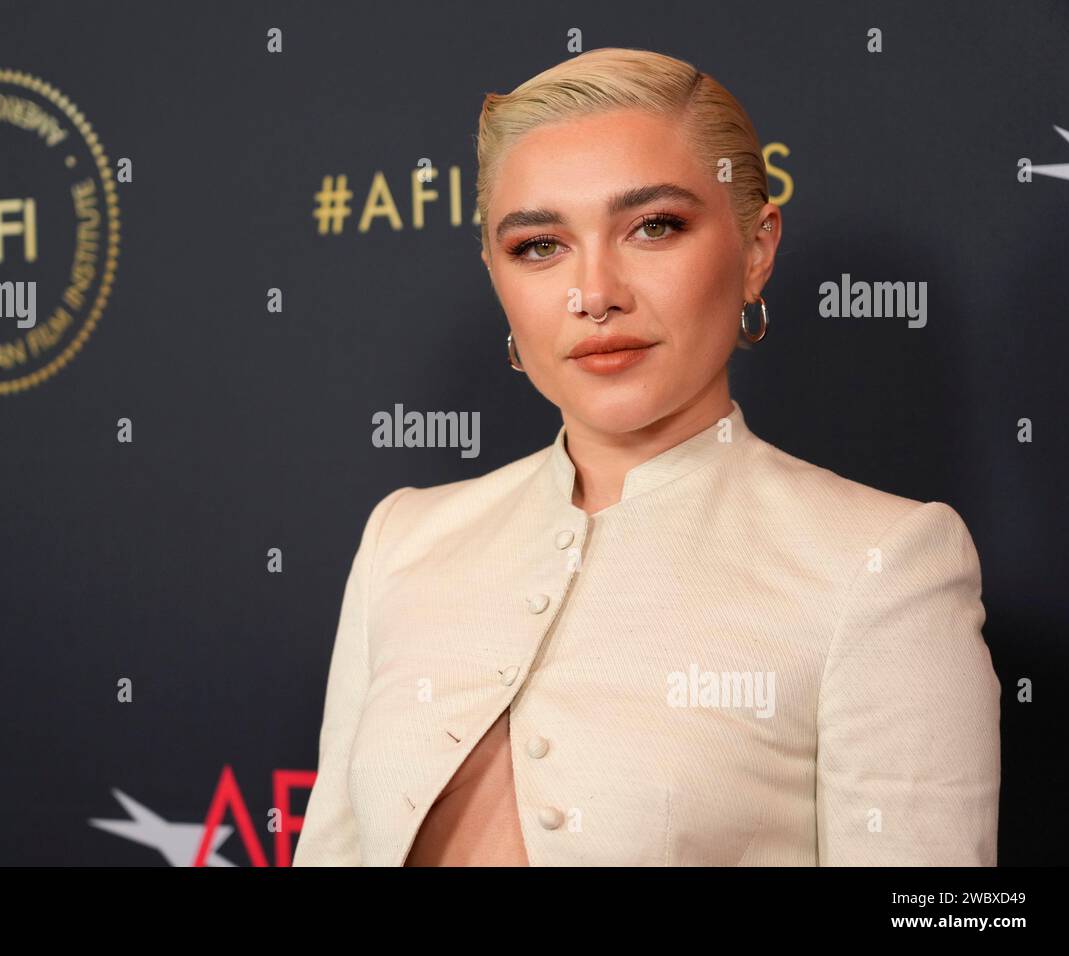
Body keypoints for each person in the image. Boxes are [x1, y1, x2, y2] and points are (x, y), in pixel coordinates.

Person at [292, 48, 1000, 867]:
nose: (595, 293)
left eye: (653, 227)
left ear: (756, 249)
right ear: (494, 273)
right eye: (538, 246)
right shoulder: (405, 540)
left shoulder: (883, 564)